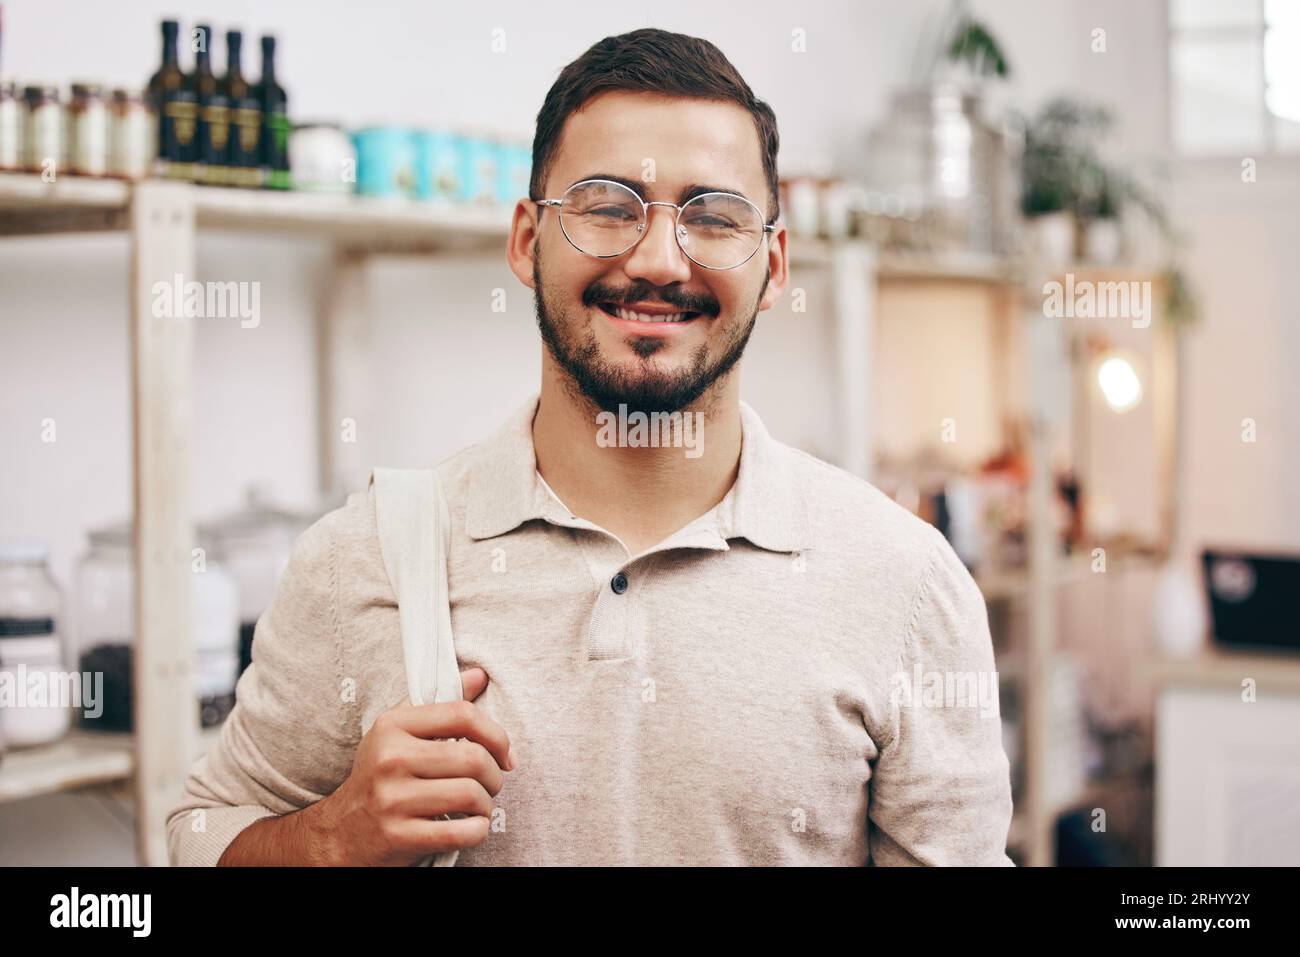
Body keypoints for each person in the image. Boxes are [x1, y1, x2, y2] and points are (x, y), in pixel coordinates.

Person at [167, 27, 1014, 867]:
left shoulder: (906, 584)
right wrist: (332, 836)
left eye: (713, 217)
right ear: (528, 241)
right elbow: (196, 836)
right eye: (608, 206)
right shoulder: (364, 559)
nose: (656, 259)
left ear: (775, 265)